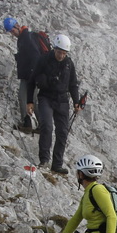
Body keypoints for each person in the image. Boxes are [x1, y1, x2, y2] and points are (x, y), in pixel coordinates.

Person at [26, 32, 82, 173]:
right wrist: (29, 101)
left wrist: (76, 102)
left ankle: (57, 165)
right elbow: (32, 81)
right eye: (59, 52)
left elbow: (73, 84)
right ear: (54, 49)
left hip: (62, 101)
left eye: (64, 53)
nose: (61, 55)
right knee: (47, 127)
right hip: (45, 97)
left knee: (63, 132)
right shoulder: (43, 60)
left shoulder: (69, 64)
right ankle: (44, 160)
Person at [2, 16, 43, 131]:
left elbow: (35, 56)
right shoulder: (22, 38)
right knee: (26, 98)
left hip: (31, 76)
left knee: (30, 98)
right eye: (10, 31)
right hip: (27, 75)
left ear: (17, 26)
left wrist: (33, 73)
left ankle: (36, 124)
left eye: (12, 30)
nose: (12, 33)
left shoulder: (27, 37)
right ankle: (30, 123)